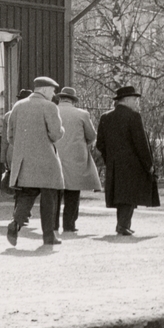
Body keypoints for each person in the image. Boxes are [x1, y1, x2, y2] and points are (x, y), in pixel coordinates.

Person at [5, 76, 66, 246]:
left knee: (26, 195)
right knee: (49, 197)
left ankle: (15, 223)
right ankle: (49, 236)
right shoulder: (50, 107)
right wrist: (62, 130)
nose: (53, 94)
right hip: (46, 160)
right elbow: (55, 134)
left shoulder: (18, 106)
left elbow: (10, 136)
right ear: (46, 89)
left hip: (24, 161)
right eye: (53, 90)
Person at [95, 85, 155, 236]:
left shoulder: (105, 117)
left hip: (114, 163)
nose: (136, 103)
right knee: (129, 195)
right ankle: (123, 226)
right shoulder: (134, 116)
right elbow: (141, 143)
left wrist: (109, 158)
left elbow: (100, 143)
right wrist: (148, 164)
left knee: (120, 195)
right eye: (135, 100)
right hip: (132, 163)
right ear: (127, 100)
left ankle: (123, 224)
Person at [56, 86, 100, 232]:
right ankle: (69, 225)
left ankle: (52, 224)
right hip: (75, 156)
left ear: (60, 98)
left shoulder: (52, 110)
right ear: (73, 100)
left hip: (54, 155)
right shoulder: (82, 114)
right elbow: (92, 136)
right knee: (73, 192)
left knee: (54, 193)